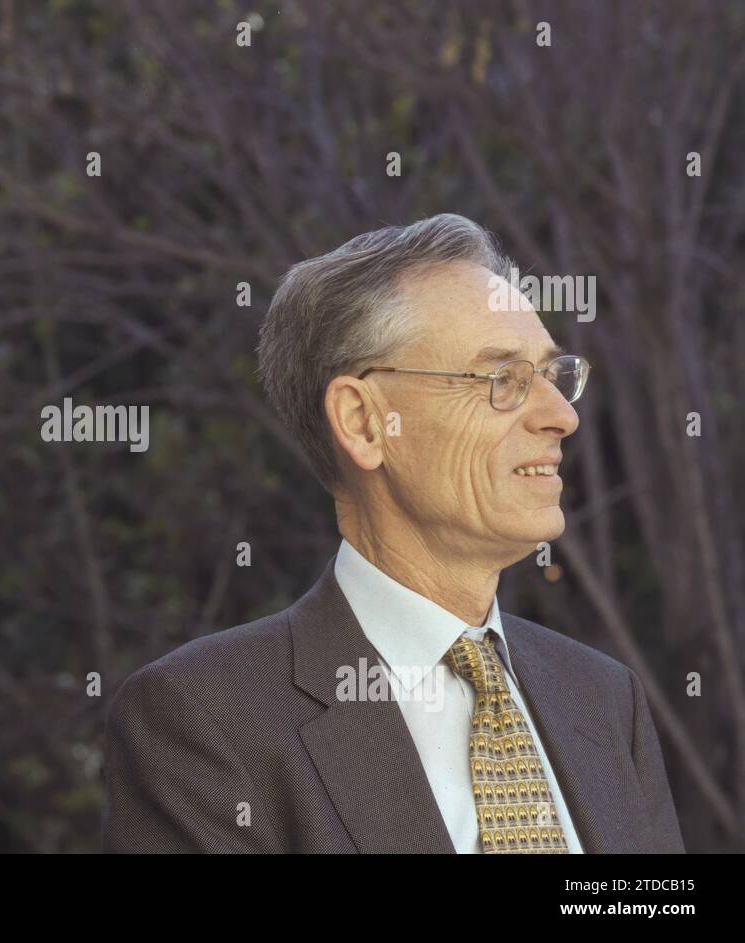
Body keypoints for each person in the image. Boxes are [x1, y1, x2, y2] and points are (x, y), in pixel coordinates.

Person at [103, 214, 683, 853]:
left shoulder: (603, 699)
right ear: (364, 422)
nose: (562, 416)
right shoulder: (206, 719)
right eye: (503, 381)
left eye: (553, 375)